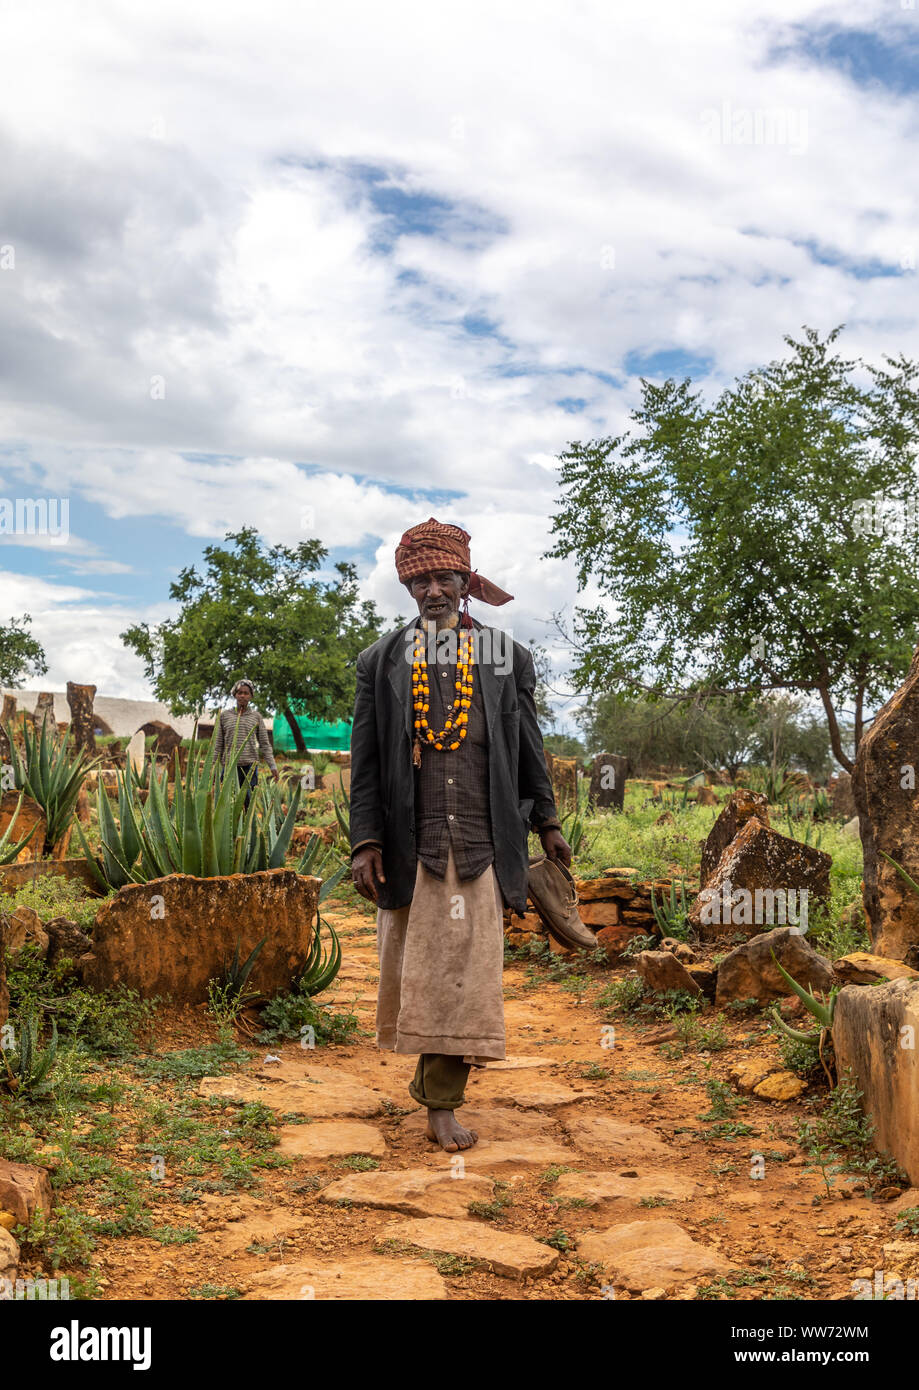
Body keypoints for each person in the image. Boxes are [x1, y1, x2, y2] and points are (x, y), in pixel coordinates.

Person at [350, 518, 570, 1152]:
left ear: (465, 582)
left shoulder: (506, 658)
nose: (433, 590)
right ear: (409, 587)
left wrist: (546, 823)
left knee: (467, 978)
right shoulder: (382, 662)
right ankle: (438, 1100)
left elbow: (529, 746)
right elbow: (366, 763)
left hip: (481, 839)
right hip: (411, 842)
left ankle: (441, 1099)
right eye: (420, 580)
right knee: (425, 973)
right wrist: (366, 841)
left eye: (444, 577)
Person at [211, 678, 279, 807]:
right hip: (229, 767)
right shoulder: (225, 716)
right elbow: (218, 744)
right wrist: (212, 767)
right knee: (226, 804)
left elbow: (265, 744)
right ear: (235, 695)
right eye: (239, 692)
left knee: (247, 804)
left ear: (251, 696)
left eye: (246, 693)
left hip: (249, 768)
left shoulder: (256, 717)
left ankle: (246, 827)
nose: (242, 695)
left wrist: (273, 766)